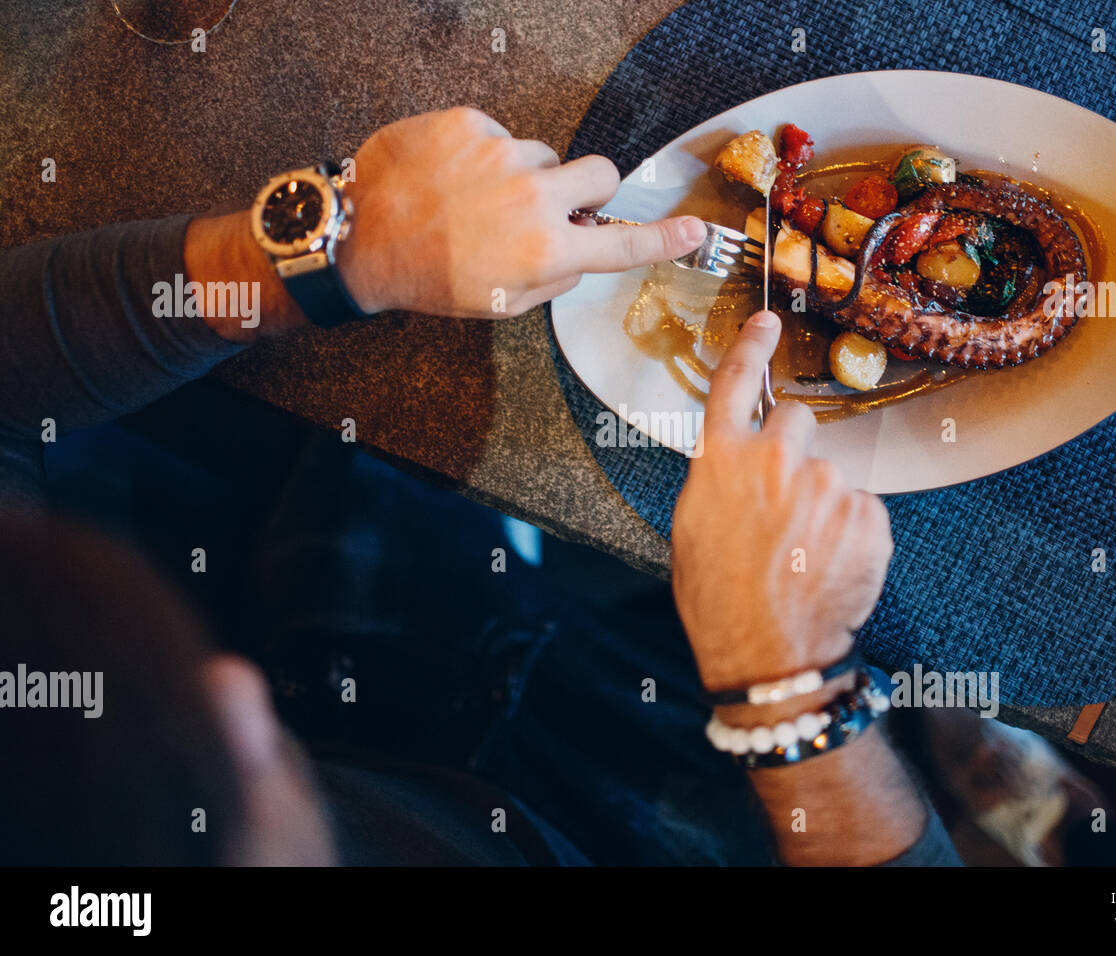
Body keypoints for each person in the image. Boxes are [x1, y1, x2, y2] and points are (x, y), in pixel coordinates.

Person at [0, 107, 959, 865]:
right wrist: (789, 697)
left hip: (385, 700)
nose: (233, 690)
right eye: (210, 783)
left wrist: (329, 254)